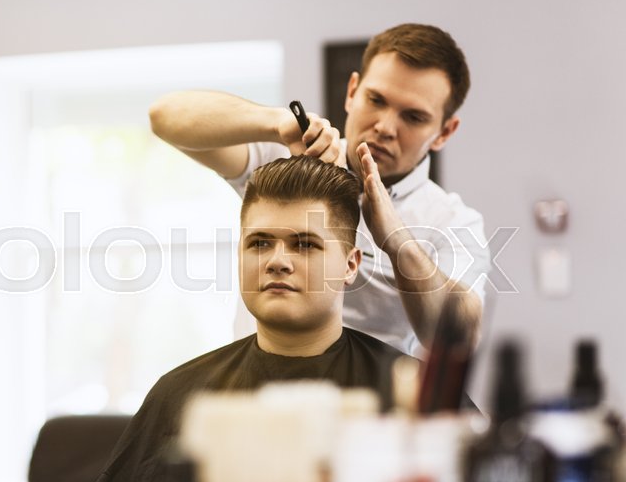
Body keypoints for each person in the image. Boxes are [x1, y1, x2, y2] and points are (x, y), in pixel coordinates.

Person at [149, 23, 491, 358]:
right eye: (375, 100)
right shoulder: (285, 160)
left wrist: (398, 243)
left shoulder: (452, 222)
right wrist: (273, 122)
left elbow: (458, 340)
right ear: (352, 91)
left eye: (413, 117)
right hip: (257, 394)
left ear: (445, 131)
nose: (385, 127)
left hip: (372, 407)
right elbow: (164, 116)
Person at [90, 156, 407, 482]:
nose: (277, 261)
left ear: (350, 265)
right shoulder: (180, 395)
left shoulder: (411, 396)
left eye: (304, 244)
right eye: (259, 243)